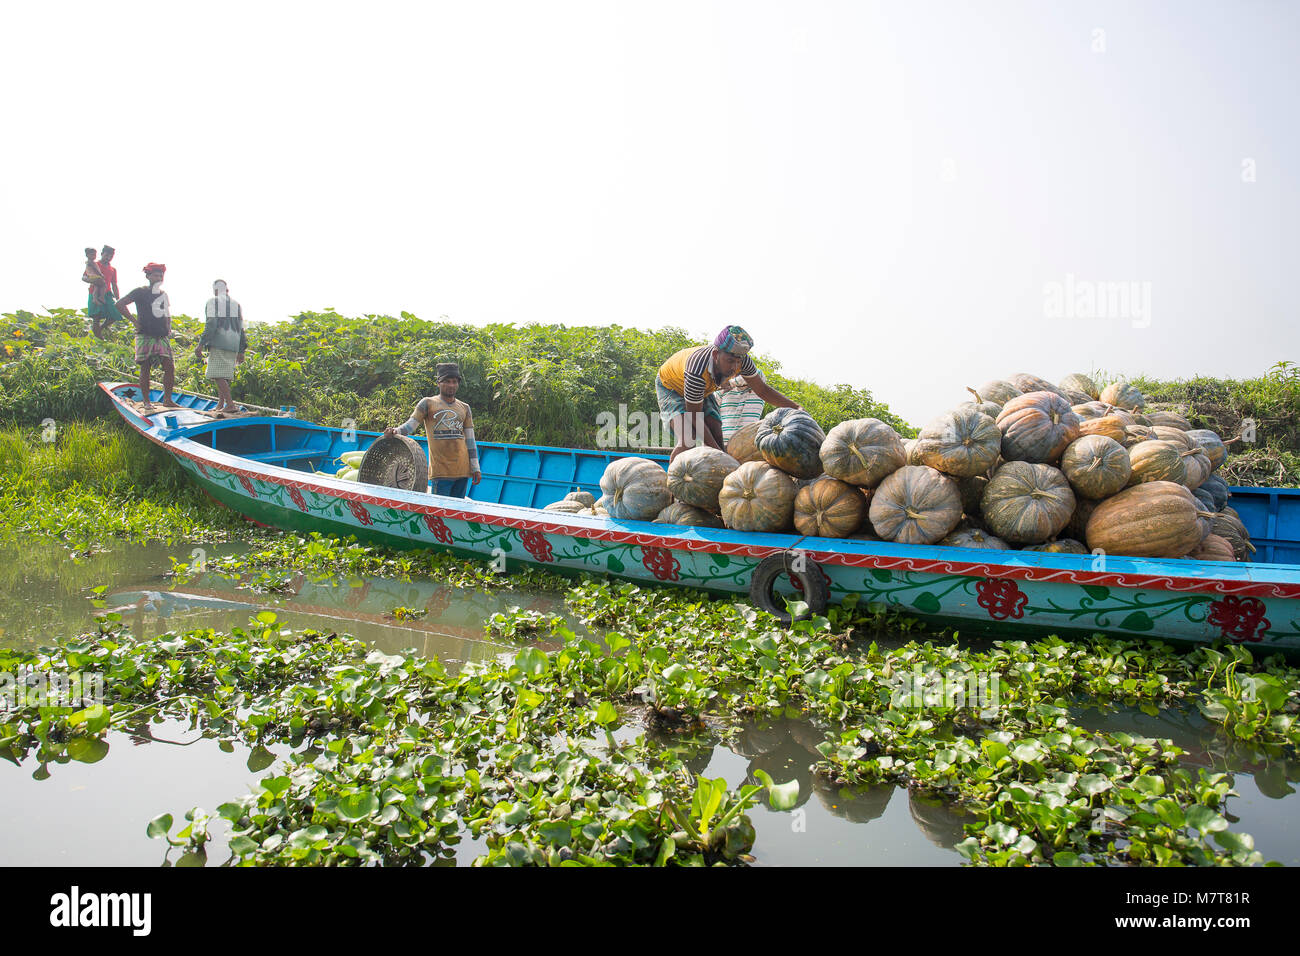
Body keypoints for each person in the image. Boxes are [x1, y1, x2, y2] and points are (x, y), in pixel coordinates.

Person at [656, 325, 800, 461]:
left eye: (738, 362)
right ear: (715, 354)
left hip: (702, 390)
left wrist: (796, 408)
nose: (735, 367)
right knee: (689, 439)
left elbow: (762, 390)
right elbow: (695, 416)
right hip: (671, 386)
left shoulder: (743, 361)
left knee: (718, 435)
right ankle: (672, 482)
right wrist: (720, 454)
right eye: (730, 361)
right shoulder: (697, 369)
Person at [384, 362, 482, 496]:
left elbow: (470, 441)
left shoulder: (465, 408)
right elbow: (410, 426)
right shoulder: (428, 403)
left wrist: (475, 468)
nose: (451, 385)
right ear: (438, 383)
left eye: (454, 382)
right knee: (439, 512)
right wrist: (395, 431)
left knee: (456, 512)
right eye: (447, 381)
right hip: (441, 472)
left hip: (462, 471)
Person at [116, 262, 179, 408]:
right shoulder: (140, 291)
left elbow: (166, 313)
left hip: (161, 335)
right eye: (156, 275)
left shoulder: (163, 294)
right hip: (145, 334)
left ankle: (168, 400)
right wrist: (134, 321)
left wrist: (168, 327)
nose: (159, 277)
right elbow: (119, 304)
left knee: (169, 366)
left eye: (161, 275)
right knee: (146, 367)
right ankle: (146, 402)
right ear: (148, 276)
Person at [194, 279, 247, 413]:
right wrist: (241, 350)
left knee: (217, 374)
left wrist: (201, 343)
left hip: (220, 341)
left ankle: (230, 404)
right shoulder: (236, 304)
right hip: (234, 343)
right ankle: (221, 404)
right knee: (223, 375)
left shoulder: (213, 301)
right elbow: (241, 328)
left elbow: (211, 323)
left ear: (216, 290)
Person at [716, 373, 767, 442]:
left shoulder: (758, 386)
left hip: (745, 443)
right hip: (722, 443)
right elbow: (708, 410)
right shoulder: (722, 392)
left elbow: (755, 374)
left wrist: (729, 383)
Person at [91, 245, 121, 338]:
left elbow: (114, 284)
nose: (108, 258)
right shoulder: (94, 265)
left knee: (115, 315)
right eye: (106, 255)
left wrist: (118, 298)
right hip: (94, 292)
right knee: (96, 316)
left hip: (108, 294)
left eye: (110, 256)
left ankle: (100, 329)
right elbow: (85, 277)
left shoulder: (113, 269)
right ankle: (98, 338)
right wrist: (95, 281)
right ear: (102, 254)